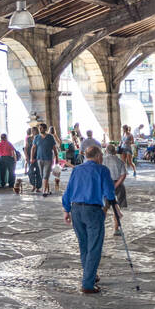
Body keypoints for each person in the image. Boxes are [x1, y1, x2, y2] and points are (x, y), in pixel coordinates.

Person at [62, 146, 115, 294]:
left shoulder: (77, 170)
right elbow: (109, 192)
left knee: (84, 245)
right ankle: (87, 283)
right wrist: (111, 205)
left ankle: (90, 274)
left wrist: (66, 210)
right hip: (93, 210)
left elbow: (68, 191)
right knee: (94, 247)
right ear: (98, 156)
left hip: (76, 210)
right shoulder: (102, 170)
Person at [102, 143, 127, 235]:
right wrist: (116, 184)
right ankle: (116, 229)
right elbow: (123, 175)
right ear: (115, 152)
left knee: (104, 207)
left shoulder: (103, 160)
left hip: (105, 185)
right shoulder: (119, 161)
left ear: (106, 151)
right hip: (118, 185)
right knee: (117, 207)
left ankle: (101, 228)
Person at [33, 124, 58, 196]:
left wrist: (56, 157)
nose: (39, 130)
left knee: (45, 175)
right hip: (39, 158)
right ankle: (47, 189)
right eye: (39, 128)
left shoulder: (50, 137)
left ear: (45, 129)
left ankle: (44, 191)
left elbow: (54, 148)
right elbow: (33, 148)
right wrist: (31, 158)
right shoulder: (37, 137)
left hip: (48, 159)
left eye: (41, 128)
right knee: (42, 175)